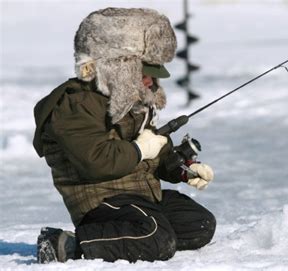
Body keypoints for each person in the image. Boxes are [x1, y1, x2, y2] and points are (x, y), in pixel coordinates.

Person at [32, 7, 216, 263]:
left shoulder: (134, 102)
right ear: (117, 68)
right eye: (145, 74)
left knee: (199, 224)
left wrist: (183, 169)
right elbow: (96, 161)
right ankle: (67, 244)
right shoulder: (76, 105)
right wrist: (140, 150)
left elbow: (157, 153)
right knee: (157, 237)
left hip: (140, 195)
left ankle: (134, 236)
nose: (151, 82)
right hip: (101, 201)